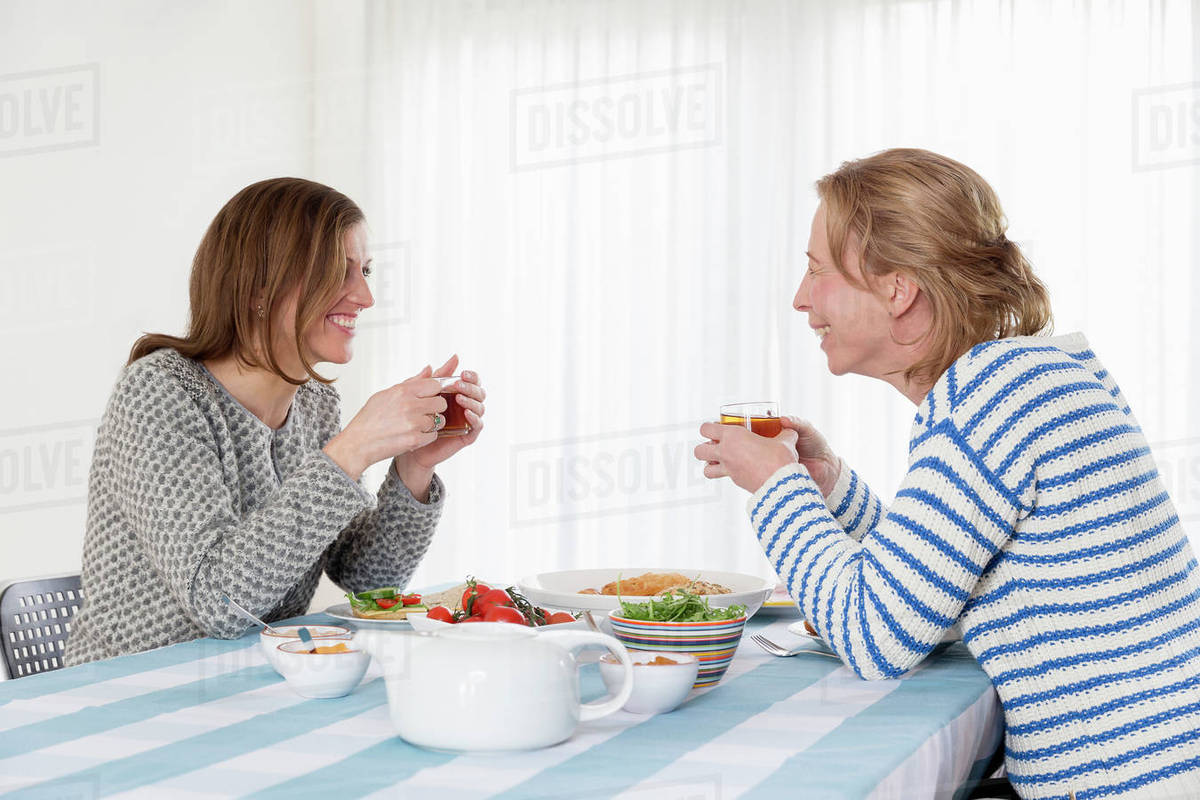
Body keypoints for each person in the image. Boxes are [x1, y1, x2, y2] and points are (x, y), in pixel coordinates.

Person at [694, 149, 1200, 798]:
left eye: (817, 271)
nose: (800, 299)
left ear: (898, 289)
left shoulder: (986, 395)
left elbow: (876, 635)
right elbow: (935, 582)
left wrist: (773, 486)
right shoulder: (1043, 372)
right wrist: (828, 487)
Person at [65, 177, 485, 665]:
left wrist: (413, 469)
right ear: (258, 289)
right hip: (126, 695)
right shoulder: (160, 393)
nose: (366, 296)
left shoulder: (314, 405)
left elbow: (367, 580)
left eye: (365, 270)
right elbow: (219, 602)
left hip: (253, 685)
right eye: (338, 271)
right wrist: (351, 450)